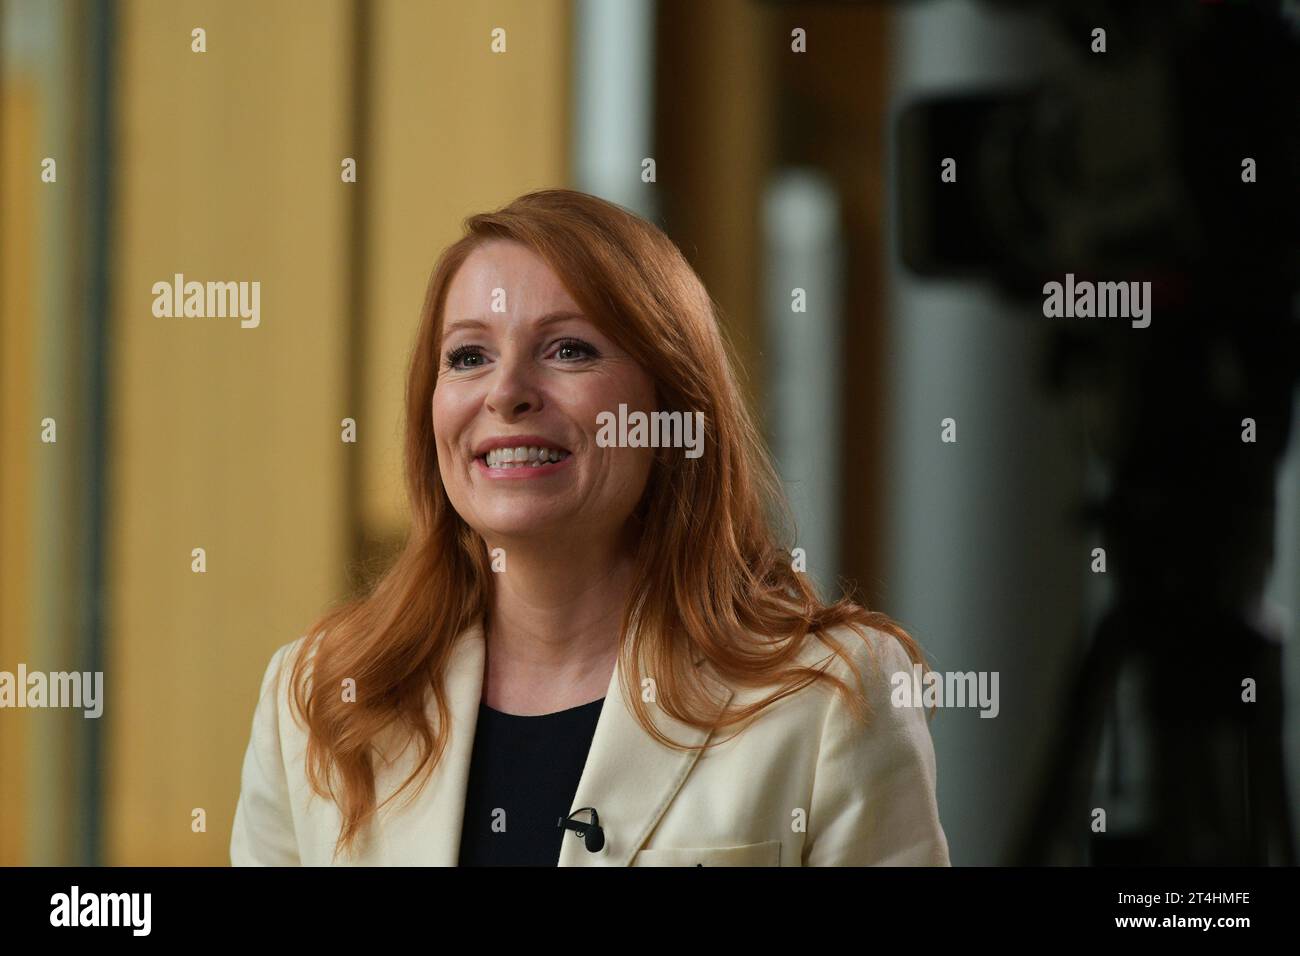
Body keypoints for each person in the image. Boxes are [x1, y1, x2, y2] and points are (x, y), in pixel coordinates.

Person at [230, 188, 950, 866]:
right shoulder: (319, 697)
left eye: (568, 349)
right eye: (469, 356)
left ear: (672, 408)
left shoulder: (829, 697)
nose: (506, 393)